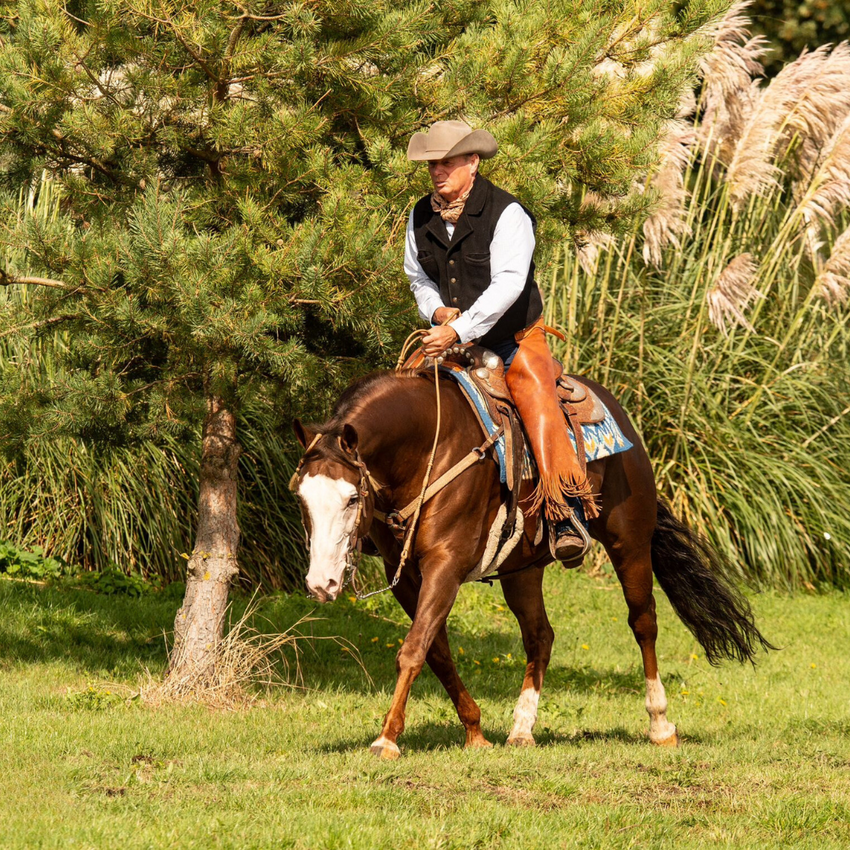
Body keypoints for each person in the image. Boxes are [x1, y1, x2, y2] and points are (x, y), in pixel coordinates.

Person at [403, 120, 598, 561]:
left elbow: (509, 284)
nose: (437, 171)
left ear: (473, 162)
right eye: (432, 164)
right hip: (450, 337)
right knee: (405, 388)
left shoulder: (508, 213)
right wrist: (436, 311)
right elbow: (417, 277)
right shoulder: (419, 215)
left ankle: (564, 511)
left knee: (536, 397)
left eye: (447, 162)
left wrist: (458, 329)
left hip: (514, 338)